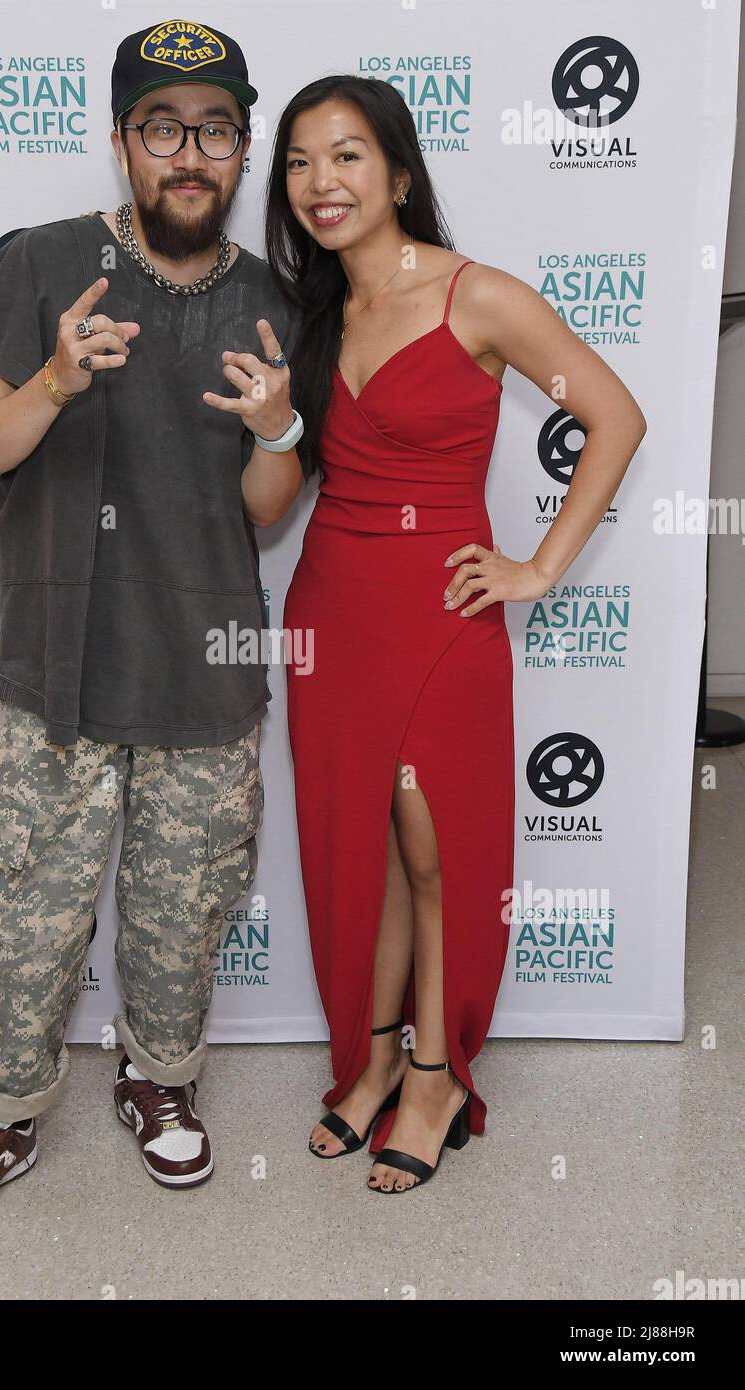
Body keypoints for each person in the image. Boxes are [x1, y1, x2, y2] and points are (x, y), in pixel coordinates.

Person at [0, 18, 304, 1245]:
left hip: (206, 665)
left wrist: (281, 432)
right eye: (163, 128)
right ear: (124, 140)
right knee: (28, 909)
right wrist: (56, 384)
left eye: (217, 130)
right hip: (55, 666)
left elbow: (266, 512)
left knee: (185, 908)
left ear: (240, 148)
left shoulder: (274, 300)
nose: (191, 154)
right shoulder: (36, 263)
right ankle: (3, 1107)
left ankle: (159, 1075)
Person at [267, 75, 646, 1193]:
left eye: (343, 156)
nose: (318, 183)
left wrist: (535, 566)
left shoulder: (480, 297)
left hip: (441, 611)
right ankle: (375, 1057)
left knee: (436, 850)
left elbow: (613, 415)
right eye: (296, 162)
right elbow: (290, 479)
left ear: (397, 171)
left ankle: (437, 1074)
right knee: (368, 850)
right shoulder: (317, 312)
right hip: (331, 609)